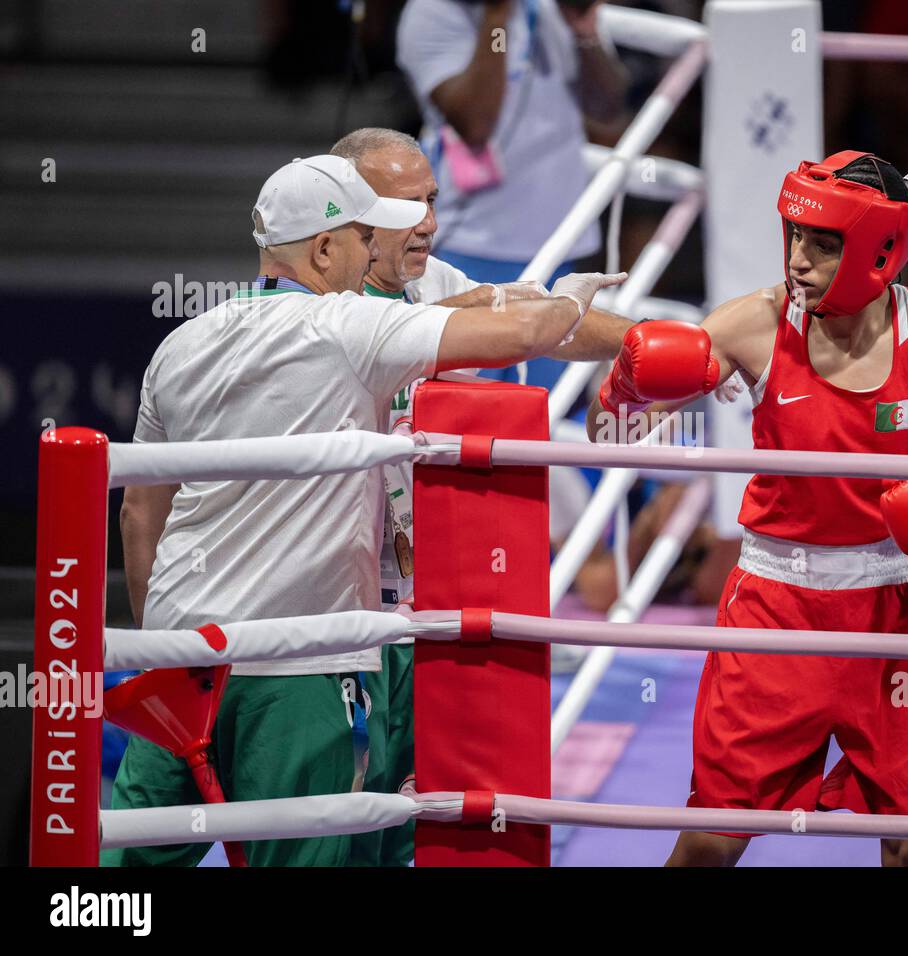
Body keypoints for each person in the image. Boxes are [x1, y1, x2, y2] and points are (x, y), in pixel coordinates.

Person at [108, 153, 623, 866]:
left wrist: (161, 647)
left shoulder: (181, 342)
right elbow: (523, 335)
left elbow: (141, 510)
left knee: (110, 880)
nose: (375, 249)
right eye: (363, 236)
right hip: (296, 667)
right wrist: (569, 299)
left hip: (183, 656)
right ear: (325, 248)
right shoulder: (347, 328)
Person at [587, 151, 908, 867]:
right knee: (710, 840)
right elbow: (610, 433)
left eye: (822, 244)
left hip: (894, 613)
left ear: (877, 249)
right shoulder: (752, 325)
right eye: (793, 236)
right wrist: (624, 388)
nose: (798, 259)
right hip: (775, 611)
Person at [328, 126, 633, 865]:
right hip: (326, 599)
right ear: (347, 221)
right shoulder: (311, 308)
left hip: (418, 597)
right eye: (408, 206)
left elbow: (552, 327)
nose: (430, 222)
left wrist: (667, 346)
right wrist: (502, 307)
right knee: (326, 815)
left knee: (417, 806)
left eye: (432, 200)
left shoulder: (432, 282)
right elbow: (486, 319)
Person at [396, 0, 628, 390]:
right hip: (471, 248)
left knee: (543, 410)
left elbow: (608, 109)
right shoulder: (431, 12)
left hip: (558, 243)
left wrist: (585, 32)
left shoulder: (554, 9)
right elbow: (476, 123)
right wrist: (496, 16)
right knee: (463, 411)